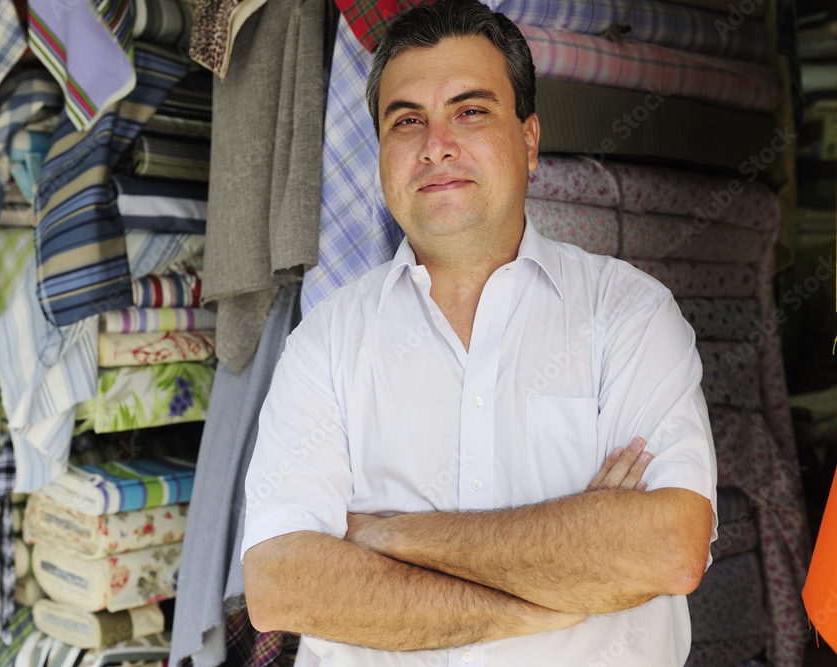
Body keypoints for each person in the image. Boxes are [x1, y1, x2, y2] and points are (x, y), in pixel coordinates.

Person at [240, 0, 718, 664]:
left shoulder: (629, 315)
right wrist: (554, 591)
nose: (436, 144)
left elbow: (667, 547)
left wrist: (390, 536)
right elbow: (280, 584)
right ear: (380, 153)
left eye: (470, 111)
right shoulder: (324, 343)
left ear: (528, 139)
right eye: (407, 120)